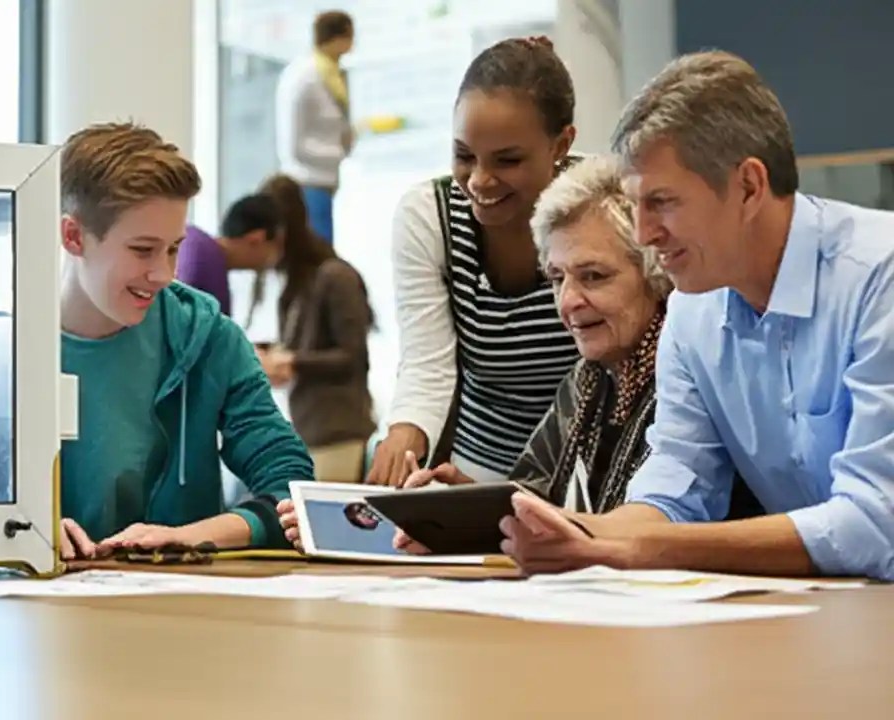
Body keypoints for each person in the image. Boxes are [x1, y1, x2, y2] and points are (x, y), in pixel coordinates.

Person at [501, 51, 894, 582]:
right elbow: (675, 485)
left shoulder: (879, 276)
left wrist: (642, 548)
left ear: (749, 187)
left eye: (662, 202)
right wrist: (573, 535)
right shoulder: (692, 311)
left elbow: (875, 522)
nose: (642, 234)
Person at [279, 155, 761, 552]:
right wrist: (458, 511)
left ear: (657, 273)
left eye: (593, 276)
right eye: (556, 279)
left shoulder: (695, 371)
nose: (568, 303)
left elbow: (655, 528)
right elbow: (532, 501)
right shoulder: (588, 380)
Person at [56, 121, 314, 561]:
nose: (164, 274)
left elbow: (290, 488)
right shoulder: (4, 345)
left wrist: (195, 535)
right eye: (142, 249)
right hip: (42, 606)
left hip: (184, 601)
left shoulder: (210, 337)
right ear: (74, 236)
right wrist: (26, 526)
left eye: (174, 248)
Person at [367, 36, 582, 489]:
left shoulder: (603, 208)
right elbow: (428, 363)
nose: (480, 181)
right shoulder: (428, 216)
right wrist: (405, 432)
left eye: (508, 160)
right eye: (464, 156)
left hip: (588, 477)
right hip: (475, 476)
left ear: (561, 144)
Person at [254, 173, 376, 482]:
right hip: (310, 432)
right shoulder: (297, 285)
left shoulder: (336, 277)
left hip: (339, 433)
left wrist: (293, 361)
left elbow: (352, 356)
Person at [275, 9, 355, 244]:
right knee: (316, 253)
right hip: (307, 180)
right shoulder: (304, 76)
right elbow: (293, 143)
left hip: (325, 178)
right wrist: (338, 152)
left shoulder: (332, 74)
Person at [175, 194, 283, 318]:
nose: (279, 256)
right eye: (278, 246)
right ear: (256, 239)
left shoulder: (190, 238)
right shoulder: (209, 271)